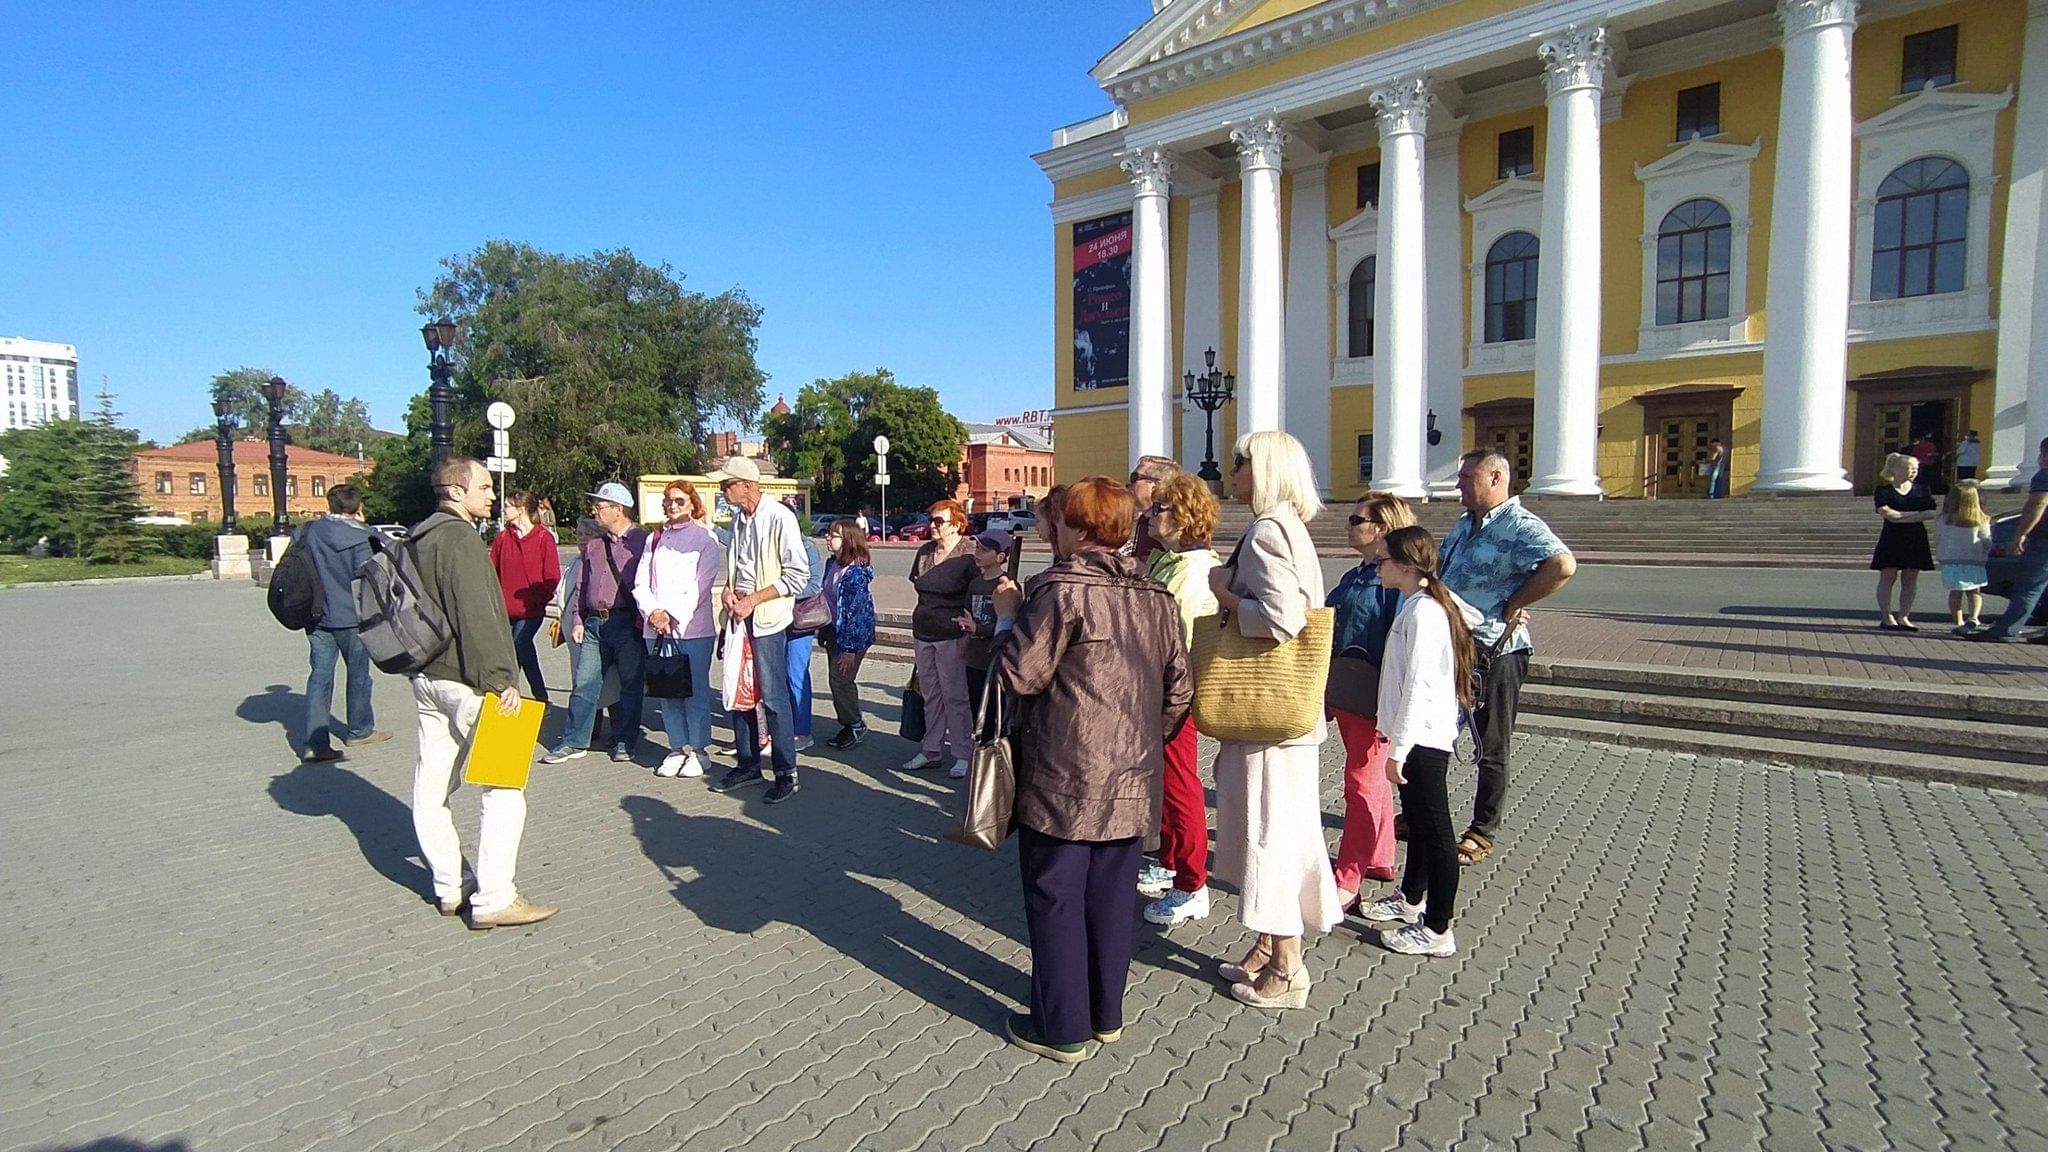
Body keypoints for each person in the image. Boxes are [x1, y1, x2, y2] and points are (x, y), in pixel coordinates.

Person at [991, 476, 1191, 1062]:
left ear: (1076, 527)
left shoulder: (1060, 589)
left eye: (1055, 519)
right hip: (1132, 773)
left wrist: (1007, 619)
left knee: (1055, 893)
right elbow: (1180, 692)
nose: (1047, 528)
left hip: (1065, 773)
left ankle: (1062, 1027)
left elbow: (1019, 676)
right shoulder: (1155, 595)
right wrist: (1141, 741)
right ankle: (1106, 1013)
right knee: (1109, 896)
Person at [1206, 431, 1343, 1011]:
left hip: (1268, 718)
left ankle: (1288, 965)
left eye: (1240, 463)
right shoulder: (1289, 526)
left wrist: (1227, 595)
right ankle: (1267, 945)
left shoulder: (1266, 531)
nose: (1231, 473)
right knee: (1276, 825)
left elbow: (1283, 619)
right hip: (1285, 716)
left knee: (1269, 832)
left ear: (1262, 470)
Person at [408, 457, 554, 928]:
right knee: (505, 786)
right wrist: (501, 679)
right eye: (485, 487)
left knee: (431, 786)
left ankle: (449, 885)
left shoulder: (417, 536)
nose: (492, 495)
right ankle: (494, 896)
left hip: (426, 676)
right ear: (455, 491)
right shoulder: (461, 540)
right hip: (470, 681)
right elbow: (479, 614)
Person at [1436, 448, 1575, 866]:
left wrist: (1515, 601)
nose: (1459, 484)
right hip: (1454, 645)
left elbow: (1562, 565)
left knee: (1491, 743)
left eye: (1467, 477)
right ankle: (1427, 813)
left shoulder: (1519, 525)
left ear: (1496, 478)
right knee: (1438, 733)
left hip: (1495, 650)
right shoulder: (1464, 525)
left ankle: (1482, 830)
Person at [1359, 525, 1477, 958]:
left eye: (1384, 559)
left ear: (1407, 566)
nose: (1378, 565)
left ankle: (1438, 928)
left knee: (1436, 831)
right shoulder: (1419, 606)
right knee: (1421, 826)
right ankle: (1411, 899)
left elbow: (1419, 687)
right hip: (1417, 737)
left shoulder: (1425, 613)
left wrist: (1399, 748)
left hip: (1424, 740)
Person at [1323, 490, 1415, 911]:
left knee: (1361, 782)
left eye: (1356, 520)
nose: (1349, 527)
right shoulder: (1358, 574)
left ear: (1381, 528)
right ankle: (1380, 856)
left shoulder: (1393, 580)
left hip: (1375, 695)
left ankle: (1349, 875)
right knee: (1370, 779)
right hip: (1348, 689)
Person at [1140, 472, 1221, 927]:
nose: (1152, 516)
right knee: (1165, 787)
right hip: (1155, 692)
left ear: (1185, 517)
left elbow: (1178, 644)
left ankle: (1193, 884)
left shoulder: (1191, 571)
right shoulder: (1168, 561)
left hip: (1172, 696)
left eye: (1161, 509)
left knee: (1180, 787)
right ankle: (1171, 863)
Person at [706, 455, 810, 803]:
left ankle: (786, 772)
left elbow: (798, 575)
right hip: (739, 616)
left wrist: (754, 599)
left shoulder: (779, 517)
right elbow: (737, 566)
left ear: (747, 485)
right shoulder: (738, 520)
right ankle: (748, 762)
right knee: (739, 691)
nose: (722, 490)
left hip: (767, 618)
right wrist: (728, 589)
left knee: (772, 695)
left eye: (727, 484)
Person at [542, 483, 649, 764]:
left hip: (627, 623)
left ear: (618, 509)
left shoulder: (643, 541)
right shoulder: (593, 545)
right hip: (593, 624)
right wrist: (578, 619)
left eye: (600, 506)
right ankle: (574, 740)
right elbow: (582, 585)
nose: (595, 511)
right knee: (585, 682)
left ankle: (625, 740)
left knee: (630, 684)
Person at [633, 479, 720, 779]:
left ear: (693, 504)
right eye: (668, 500)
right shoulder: (653, 539)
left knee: (693, 692)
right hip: (655, 628)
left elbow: (701, 586)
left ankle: (699, 749)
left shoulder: (705, 539)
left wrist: (672, 615)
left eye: (679, 500)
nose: (672, 505)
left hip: (693, 629)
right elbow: (641, 582)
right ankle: (676, 746)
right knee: (666, 688)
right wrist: (653, 611)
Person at [296, 483, 389, 762]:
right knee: (359, 675)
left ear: (329, 504)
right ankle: (359, 730)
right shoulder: (360, 537)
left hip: (315, 614)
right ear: (357, 507)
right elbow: (369, 576)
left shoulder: (308, 531)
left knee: (319, 676)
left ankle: (315, 742)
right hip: (351, 616)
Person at [903, 499, 976, 778]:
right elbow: (918, 584)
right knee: (931, 694)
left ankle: (962, 753)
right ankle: (931, 749)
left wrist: (969, 634)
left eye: (938, 521)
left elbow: (977, 594)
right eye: (930, 519)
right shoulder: (924, 552)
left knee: (955, 696)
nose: (932, 526)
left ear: (957, 523)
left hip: (952, 634)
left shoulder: (968, 555)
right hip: (923, 632)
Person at [1971, 436, 2048, 644]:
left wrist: (2021, 534)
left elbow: (2037, 504)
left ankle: (2006, 629)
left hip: (2044, 539)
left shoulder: (2045, 475)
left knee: (2029, 586)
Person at [488, 489, 561, 706]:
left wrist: (537, 600)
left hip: (531, 611)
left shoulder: (543, 538)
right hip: (504, 610)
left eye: (507, 506)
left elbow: (552, 577)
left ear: (521, 510)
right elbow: (491, 572)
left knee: (516, 647)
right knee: (524, 650)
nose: (503, 510)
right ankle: (541, 699)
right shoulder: (502, 538)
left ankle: (507, 697)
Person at [822, 518, 876, 749]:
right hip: (835, 632)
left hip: (853, 638)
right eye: (829, 533)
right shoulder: (831, 564)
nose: (828, 538)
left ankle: (855, 724)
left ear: (848, 540)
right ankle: (848, 724)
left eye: (834, 535)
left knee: (841, 680)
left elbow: (857, 614)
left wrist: (850, 650)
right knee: (836, 681)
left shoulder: (855, 573)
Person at [958, 528, 1018, 734]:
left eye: (984, 550)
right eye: (977, 548)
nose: (977, 553)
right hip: (974, 659)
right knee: (976, 713)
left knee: (994, 714)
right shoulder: (975, 583)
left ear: (1000, 556)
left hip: (994, 662)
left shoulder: (1006, 585)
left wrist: (979, 628)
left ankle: (992, 759)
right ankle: (978, 755)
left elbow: (1009, 623)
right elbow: (968, 613)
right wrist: (966, 631)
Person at [1872, 452, 1938, 631]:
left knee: (1910, 579)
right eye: (1910, 468)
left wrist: (1900, 516)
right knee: (1888, 577)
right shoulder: (1883, 490)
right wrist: (1916, 515)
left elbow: (1931, 512)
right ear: (1896, 468)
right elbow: (1887, 514)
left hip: (1915, 538)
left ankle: (1904, 616)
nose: (1914, 472)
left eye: (1916, 469)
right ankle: (1887, 617)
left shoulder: (1922, 490)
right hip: (1891, 537)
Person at [1934, 482, 1993, 634]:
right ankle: (1973, 617)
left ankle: (1958, 620)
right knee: (1974, 591)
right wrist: (1986, 552)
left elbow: (1938, 538)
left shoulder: (1943, 520)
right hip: (1974, 561)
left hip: (1950, 561)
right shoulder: (1981, 519)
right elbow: (1986, 540)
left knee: (1955, 592)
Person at [1125, 455, 1181, 562]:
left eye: (1135, 478)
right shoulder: (1144, 520)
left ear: (1157, 484)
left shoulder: (1169, 523)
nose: (1128, 484)